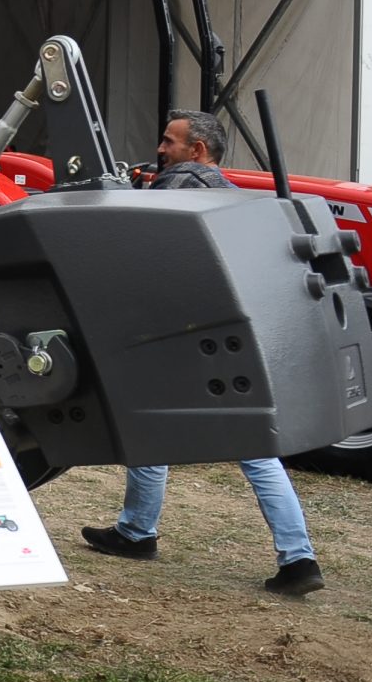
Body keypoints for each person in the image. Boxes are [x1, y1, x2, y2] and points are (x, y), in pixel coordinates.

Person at [82, 109, 325, 596]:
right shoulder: (232, 196)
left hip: (175, 334)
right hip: (230, 335)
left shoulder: (179, 185)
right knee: (256, 450)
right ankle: (298, 557)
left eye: (169, 142)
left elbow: (136, 250)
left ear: (196, 150)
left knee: (147, 427)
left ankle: (137, 532)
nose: (160, 149)